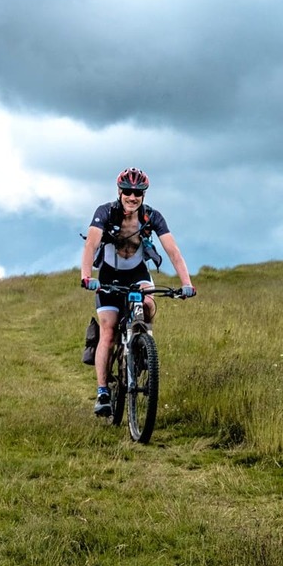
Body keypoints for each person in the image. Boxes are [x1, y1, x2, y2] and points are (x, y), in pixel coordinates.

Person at [79, 167, 196, 417]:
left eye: (138, 193)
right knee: (108, 331)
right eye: (128, 192)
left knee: (149, 304)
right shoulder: (105, 213)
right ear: (120, 192)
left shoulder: (152, 217)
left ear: (144, 195)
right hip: (109, 275)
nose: (133, 197)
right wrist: (87, 276)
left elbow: (173, 251)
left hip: (137, 273)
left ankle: (142, 344)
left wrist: (187, 283)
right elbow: (91, 244)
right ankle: (102, 392)